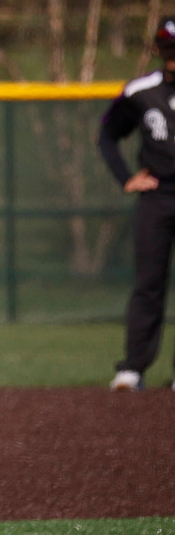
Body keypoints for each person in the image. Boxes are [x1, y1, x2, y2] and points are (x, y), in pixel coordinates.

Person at [101, 20, 175, 392]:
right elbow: (107, 134)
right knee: (149, 282)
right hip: (158, 197)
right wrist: (126, 177)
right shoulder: (141, 91)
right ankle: (133, 368)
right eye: (168, 47)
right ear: (159, 50)